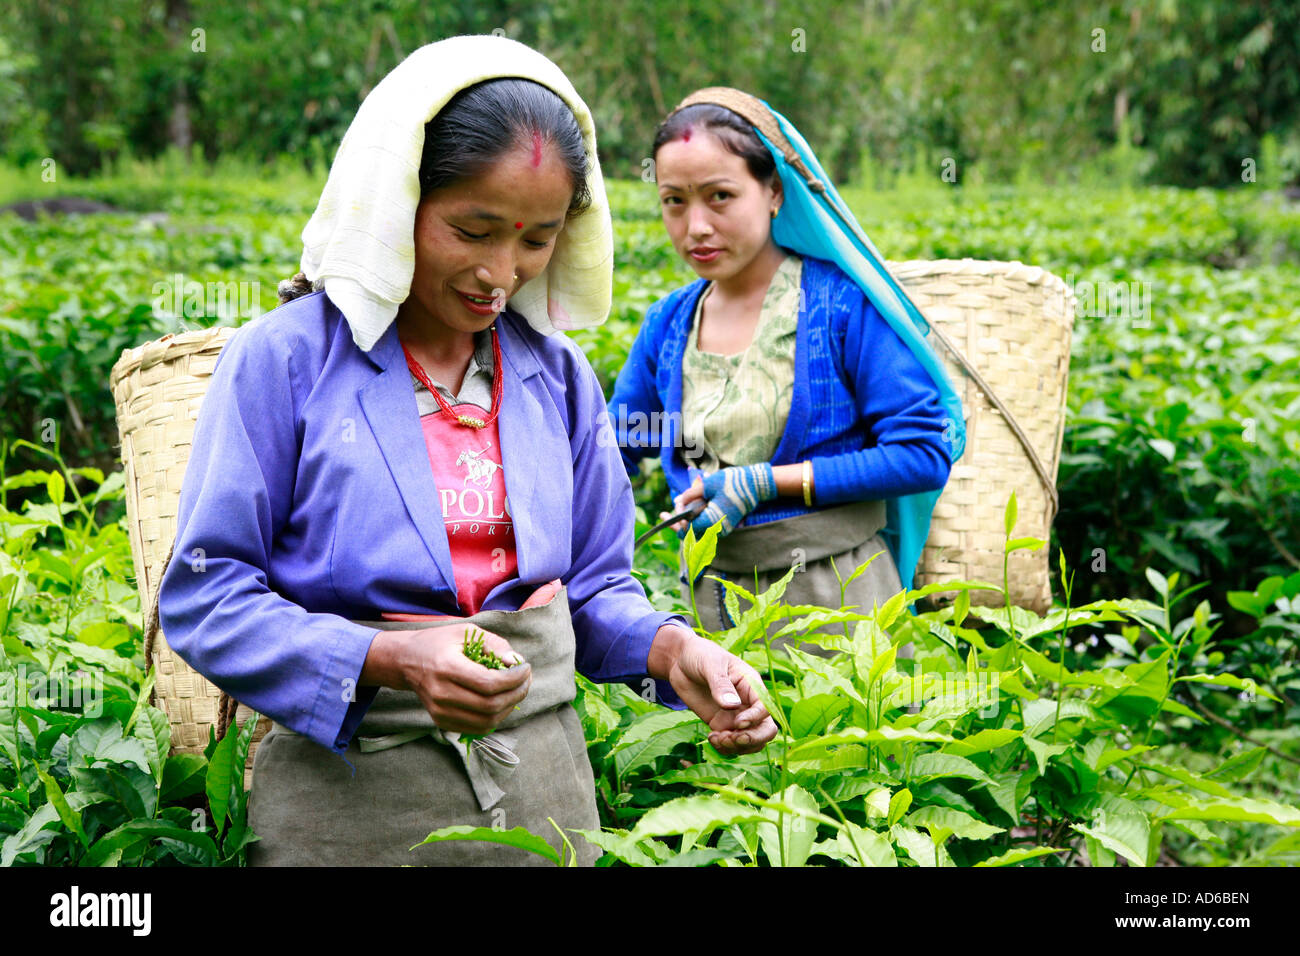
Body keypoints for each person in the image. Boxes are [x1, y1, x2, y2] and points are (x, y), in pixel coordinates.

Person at [157, 39, 776, 867]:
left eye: (536, 240)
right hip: (349, 811)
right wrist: (391, 657)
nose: (499, 273)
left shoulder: (554, 375)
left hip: (544, 804)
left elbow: (594, 587)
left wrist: (675, 652)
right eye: (473, 229)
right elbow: (207, 596)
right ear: (397, 201)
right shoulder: (285, 363)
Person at [609, 88, 966, 641]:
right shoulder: (668, 324)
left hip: (839, 604)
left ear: (774, 191)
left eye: (719, 196)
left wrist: (767, 483)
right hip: (710, 611)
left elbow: (921, 453)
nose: (695, 225)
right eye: (674, 201)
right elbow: (613, 454)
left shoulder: (841, 307)